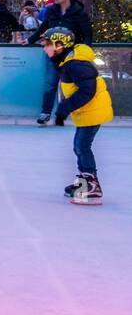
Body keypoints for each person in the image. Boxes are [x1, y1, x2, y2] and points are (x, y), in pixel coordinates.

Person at [44, 27, 110, 205]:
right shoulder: (68, 61)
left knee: (82, 146)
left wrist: (64, 108)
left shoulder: (75, 64)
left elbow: (88, 90)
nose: (45, 48)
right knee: (79, 146)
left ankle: (91, 188)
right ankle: (83, 184)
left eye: (48, 44)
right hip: (87, 110)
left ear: (59, 45)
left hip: (92, 109)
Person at [26, 0, 93, 125]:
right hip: (52, 52)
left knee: (71, 86)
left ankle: (62, 114)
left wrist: (85, 51)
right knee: (50, 83)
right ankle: (45, 113)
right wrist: (30, 40)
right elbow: (43, 28)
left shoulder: (79, 13)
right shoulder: (51, 11)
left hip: (71, 55)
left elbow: (87, 34)